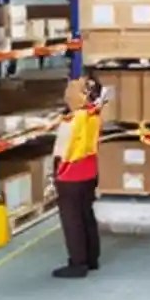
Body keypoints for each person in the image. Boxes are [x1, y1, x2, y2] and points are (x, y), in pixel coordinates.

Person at [52, 78, 103, 278]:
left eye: (71, 89)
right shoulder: (93, 114)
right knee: (86, 214)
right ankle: (92, 258)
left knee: (72, 220)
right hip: (89, 172)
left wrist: (55, 175)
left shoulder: (72, 121)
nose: (67, 93)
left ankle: (78, 263)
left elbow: (61, 151)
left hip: (70, 174)